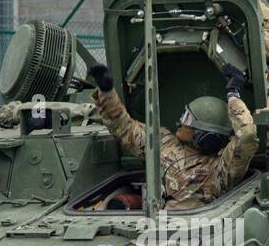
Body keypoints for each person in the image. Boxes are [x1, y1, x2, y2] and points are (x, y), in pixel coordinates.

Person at [89, 63, 257, 210]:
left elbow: (247, 134)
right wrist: (107, 92)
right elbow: (123, 126)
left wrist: (233, 95)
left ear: (207, 137)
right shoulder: (165, 144)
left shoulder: (219, 170)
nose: (179, 123)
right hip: (158, 230)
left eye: (188, 120)